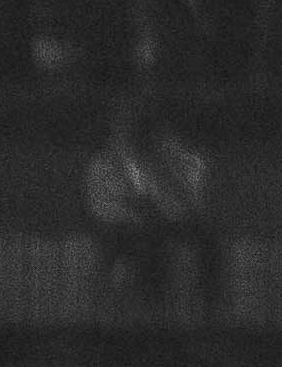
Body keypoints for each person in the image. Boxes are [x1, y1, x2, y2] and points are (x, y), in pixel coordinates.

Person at [86, 104, 217, 308]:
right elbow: (100, 205)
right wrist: (134, 212)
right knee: (145, 237)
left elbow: (187, 202)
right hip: (122, 224)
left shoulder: (188, 163)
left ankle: (202, 302)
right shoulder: (101, 163)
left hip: (162, 220)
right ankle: (150, 304)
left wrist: (161, 205)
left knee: (196, 237)